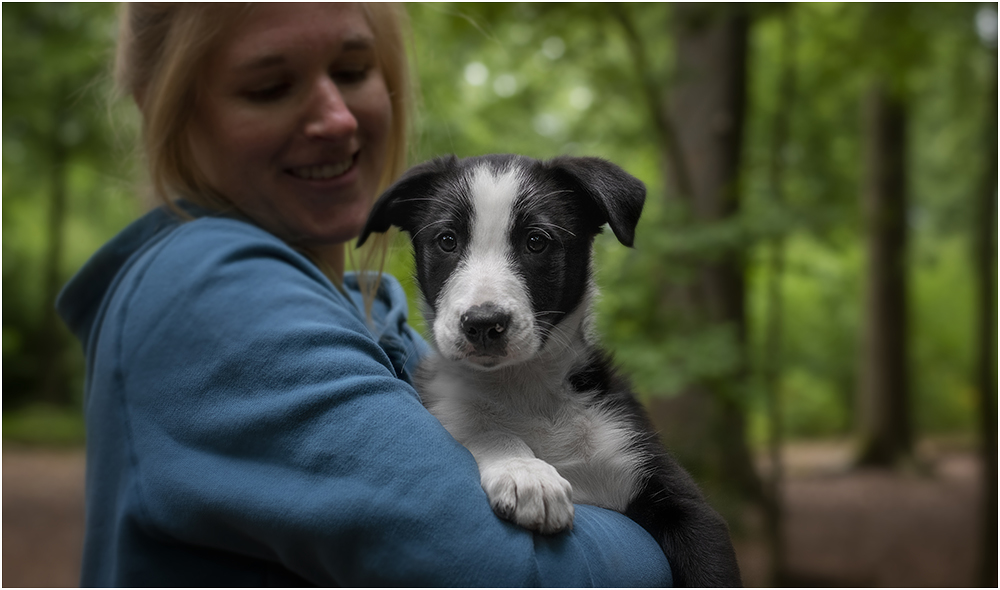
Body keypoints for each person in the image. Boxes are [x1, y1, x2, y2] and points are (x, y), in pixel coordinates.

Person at [57, 3, 674, 586]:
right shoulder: (210, 293)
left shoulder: (384, 326)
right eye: (269, 88)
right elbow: (494, 570)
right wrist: (664, 533)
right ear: (167, 106)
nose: (336, 119)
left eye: (352, 71)